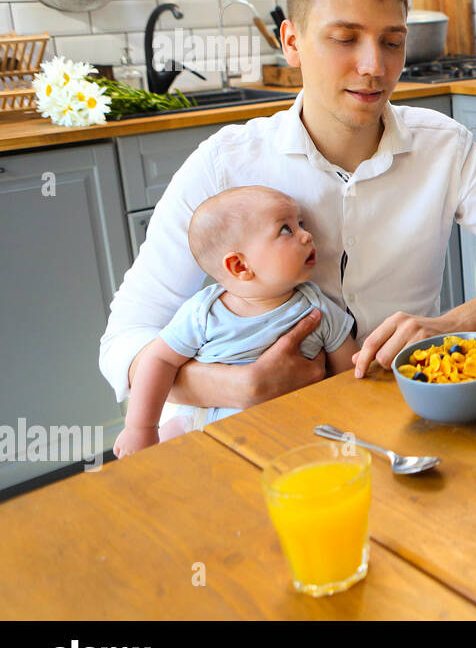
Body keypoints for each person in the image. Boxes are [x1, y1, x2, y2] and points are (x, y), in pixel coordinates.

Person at [99, 0, 476, 419]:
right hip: (242, 428)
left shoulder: (443, 146)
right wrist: (236, 386)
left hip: (397, 411)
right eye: (345, 38)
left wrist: (456, 323)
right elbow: (125, 338)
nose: (374, 67)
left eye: (392, 42)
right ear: (292, 43)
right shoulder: (225, 163)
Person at [113, 187, 357, 457]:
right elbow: (159, 361)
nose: (306, 235)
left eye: (300, 223)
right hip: (201, 426)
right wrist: (141, 427)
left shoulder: (316, 307)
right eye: (286, 230)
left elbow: (351, 377)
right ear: (240, 266)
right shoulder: (203, 313)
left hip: (290, 434)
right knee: (166, 459)